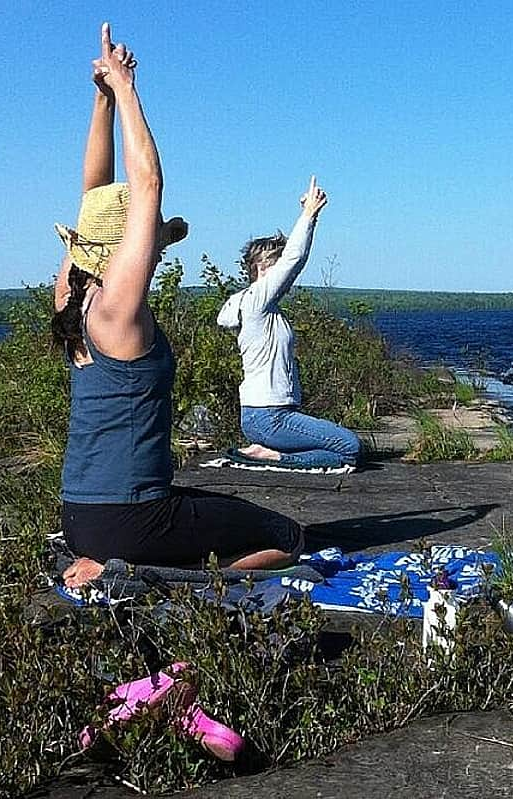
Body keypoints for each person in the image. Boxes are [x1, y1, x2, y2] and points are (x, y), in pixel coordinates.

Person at [53, 24, 303, 588]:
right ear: (125, 249)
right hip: (129, 523)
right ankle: (142, 575)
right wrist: (126, 90)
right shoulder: (117, 310)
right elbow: (146, 186)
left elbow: (95, 193)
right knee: (286, 539)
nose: (156, 251)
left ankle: (130, 559)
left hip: (80, 515)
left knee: (206, 506)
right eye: (149, 243)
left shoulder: (72, 294)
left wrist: (101, 99)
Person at [216, 179, 361, 471]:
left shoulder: (262, 308)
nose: (287, 277)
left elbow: (290, 261)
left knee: (337, 446)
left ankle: (267, 450)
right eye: (278, 266)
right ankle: (276, 457)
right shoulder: (256, 301)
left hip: (263, 417)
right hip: (270, 417)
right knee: (349, 448)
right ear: (263, 269)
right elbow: (295, 258)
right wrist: (309, 215)